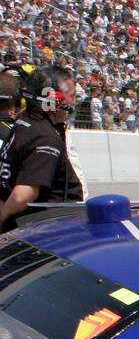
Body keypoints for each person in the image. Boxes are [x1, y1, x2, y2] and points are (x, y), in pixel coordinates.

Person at [0, 65, 84, 232]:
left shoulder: (23, 121)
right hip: (43, 231)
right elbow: (22, 195)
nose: (74, 102)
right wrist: (2, 217)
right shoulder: (44, 137)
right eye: (71, 96)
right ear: (51, 99)